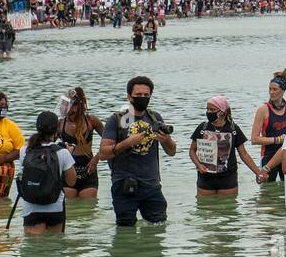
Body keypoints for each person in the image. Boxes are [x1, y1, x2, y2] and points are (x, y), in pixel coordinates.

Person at [99, 76, 176, 226]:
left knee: (158, 227)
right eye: (138, 95)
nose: (143, 98)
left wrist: (166, 140)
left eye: (146, 95)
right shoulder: (119, 120)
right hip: (124, 184)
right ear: (129, 96)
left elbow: (172, 152)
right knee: (125, 229)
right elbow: (103, 153)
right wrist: (128, 142)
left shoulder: (155, 118)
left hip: (152, 185)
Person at [189, 95, 267, 196]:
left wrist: (258, 172)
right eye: (207, 109)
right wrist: (198, 165)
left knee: (228, 208)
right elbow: (192, 151)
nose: (208, 112)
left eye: (212, 109)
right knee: (205, 208)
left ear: (222, 111)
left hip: (228, 178)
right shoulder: (202, 128)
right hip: (205, 178)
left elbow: (244, 154)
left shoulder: (233, 129)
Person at [14, 110, 77, 234]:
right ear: (56, 129)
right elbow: (72, 181)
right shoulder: (62, 152)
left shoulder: (24, 150)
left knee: (34, 250)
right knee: (54, 248)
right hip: (55, 208)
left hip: (30, 208)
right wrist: (69, 155)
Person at [252, 67, 286, 182]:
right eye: (270, 89)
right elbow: (254, 139)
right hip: (268, 157)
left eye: (275, 89)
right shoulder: (263, 109)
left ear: (283, 91)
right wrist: (278, 140)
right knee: (268, 192)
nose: (271, 92)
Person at [58, 87, 105, 199]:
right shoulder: (59, 123)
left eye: (66, 104)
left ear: (76, 106)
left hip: (88, 168)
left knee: (87, 208)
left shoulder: (91, 121)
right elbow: (48, 144)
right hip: (68, 169)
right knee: (70, 209)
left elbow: (108, 141)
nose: (62, 107)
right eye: (62, 103)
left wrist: (96, 159)